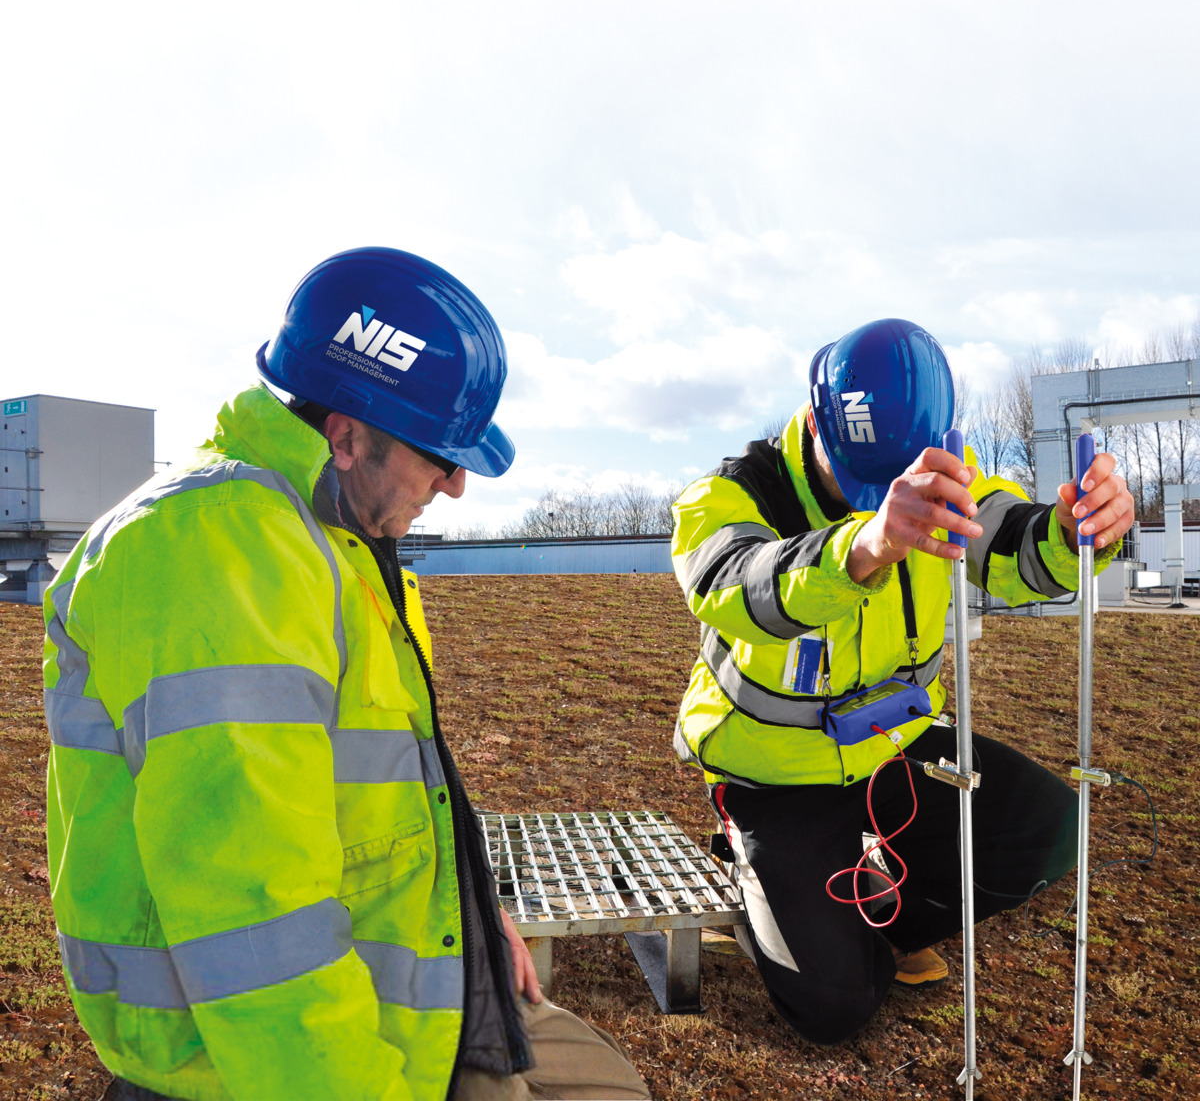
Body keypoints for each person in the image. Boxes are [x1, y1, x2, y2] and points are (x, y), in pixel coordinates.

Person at [43, 247, 649, 1101]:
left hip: (412, 982)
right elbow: (256, 920)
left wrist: (474, 913)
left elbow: (384, 787)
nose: (456, 484)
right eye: (438, 453)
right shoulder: (221, 551)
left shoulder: (333, 539)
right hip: (286, 1056)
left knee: (612, 1083)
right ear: (346, 435)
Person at [670, 317, 1135, 1045]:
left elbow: (1013, 545)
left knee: (1049, 828)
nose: (881, 496)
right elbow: (734, 584)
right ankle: (754, 877)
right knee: (834, 1008)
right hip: (771, 778)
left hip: (895, 745)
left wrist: (1081, 529)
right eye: (864, 481)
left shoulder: (947, 472)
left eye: (901, 477)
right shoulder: (729, 496)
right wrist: (865, 544)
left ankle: (869, 916)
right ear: (816, 421)